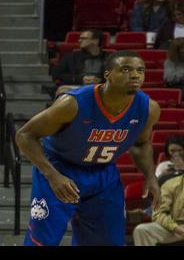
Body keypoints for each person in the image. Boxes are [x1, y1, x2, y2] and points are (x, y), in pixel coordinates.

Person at [16, 51, 162, 246]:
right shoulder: (73, 104)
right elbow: (24, 135)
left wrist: (150, 176)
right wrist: (52, 175)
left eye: (140, 70)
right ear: (108, 74)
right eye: (126, 69)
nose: (135, 75)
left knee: (108, 241)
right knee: (42, 241)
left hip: (104, 174)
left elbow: (141, 144)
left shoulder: (148, 109)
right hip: (60, 169)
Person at [53, 29, 107, 95]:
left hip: (101, 88)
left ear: (95, 41)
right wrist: (81, 79)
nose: (79, 40)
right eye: (80, 38)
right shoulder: (71, 57)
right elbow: (57, 74)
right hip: (78, 87)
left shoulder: (109, 58)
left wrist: (100, 80)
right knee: (62, 89)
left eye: (83, 38)